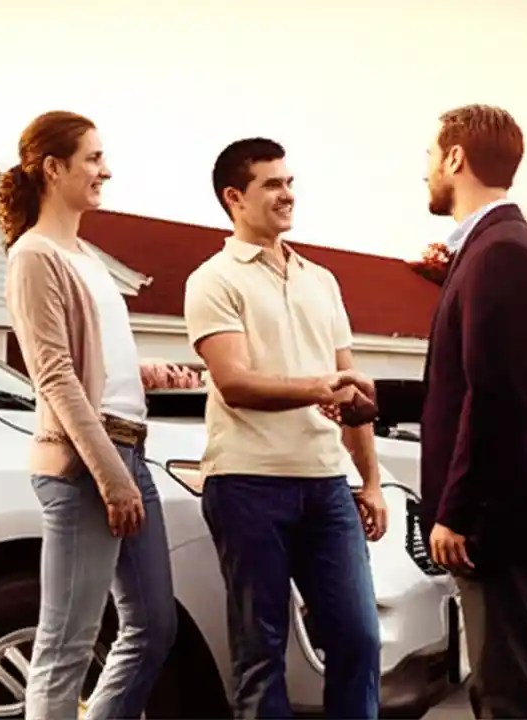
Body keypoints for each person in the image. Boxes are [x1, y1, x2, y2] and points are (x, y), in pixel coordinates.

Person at [183, 137, 387, 719]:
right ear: (234, 197)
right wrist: (319, 388)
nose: (287, 194)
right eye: (272, 184)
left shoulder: (321, 279)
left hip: (326, 486)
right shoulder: (213, 280)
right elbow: (235, 383)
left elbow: (351, 391)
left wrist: (368, 479)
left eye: (289, 182)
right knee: (260, 652)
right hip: (248, 484)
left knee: (357, 638)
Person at [0, 110, 176, 719]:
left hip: (129, 450)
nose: (106, 169)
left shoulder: (87, 259)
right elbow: (53, 373)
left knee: (154, 625)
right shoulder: (34, 257)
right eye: (93, 158)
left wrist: (144, 372)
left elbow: (91, 359)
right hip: (83, 468)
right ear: (54, 168)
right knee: (65, 646)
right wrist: (109, 476)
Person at [419, 103, 527, 719]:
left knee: (510, 696)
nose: (427, 171)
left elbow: (496, 399)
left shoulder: (500, 253)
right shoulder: (505, 246)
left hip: (498, 520)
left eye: (430, 157)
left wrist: (456, 511)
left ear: (456, 158)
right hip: (517, 515)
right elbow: (474, 383)